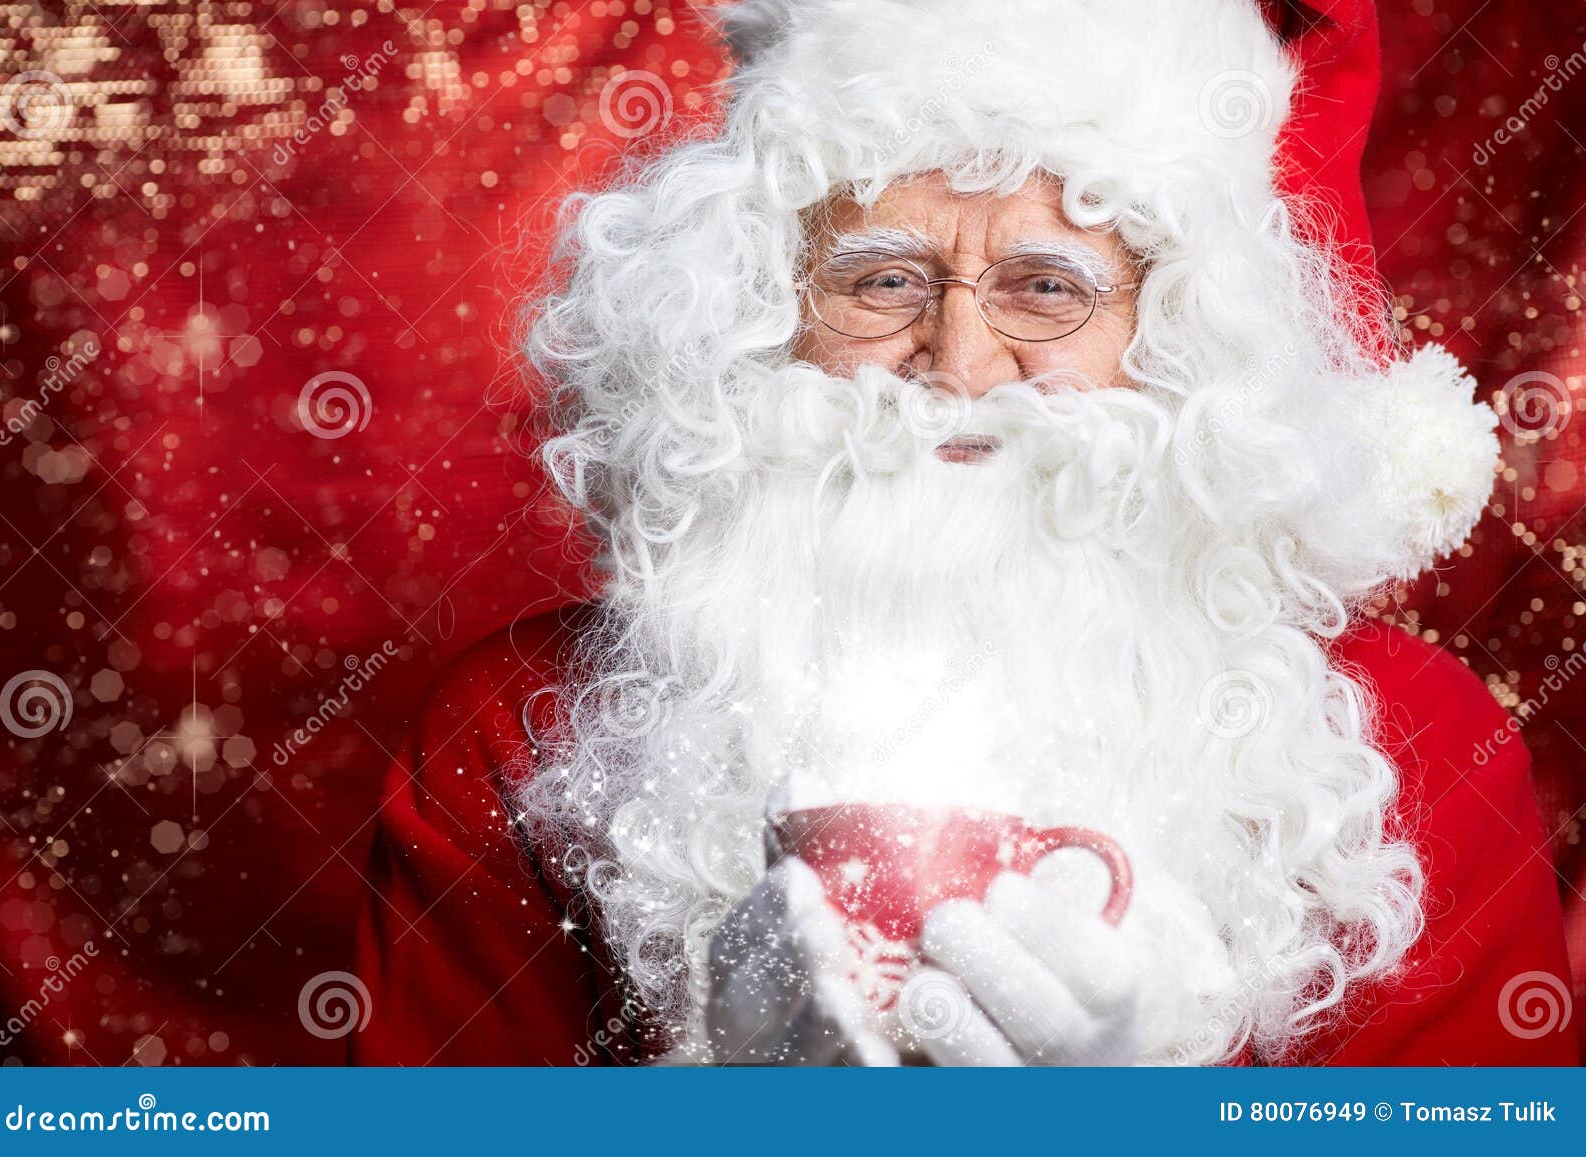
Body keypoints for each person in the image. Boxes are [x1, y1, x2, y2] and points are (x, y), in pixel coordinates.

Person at [353, 0, 1577, 1066]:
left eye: (1046, 286)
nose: (957, 364)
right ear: (756, 314)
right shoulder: (511, 734)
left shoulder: (1423, 750)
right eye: (882, 280)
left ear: (1180, 350)